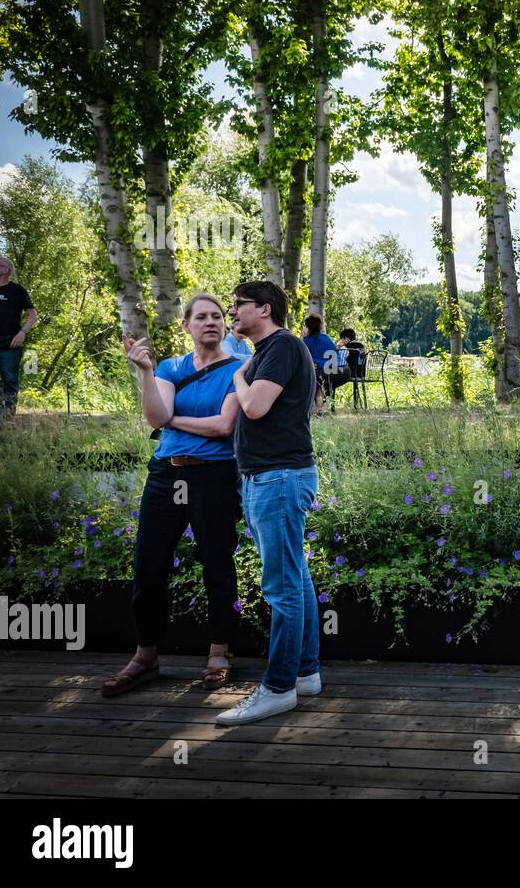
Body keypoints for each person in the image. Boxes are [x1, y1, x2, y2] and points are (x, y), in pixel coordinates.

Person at [102, 294, 243, 698]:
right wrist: (146, 372)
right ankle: (145, 655)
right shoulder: (168, 367)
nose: (211, 322)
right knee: (148, 564)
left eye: (217, 316)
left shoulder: (238, 368)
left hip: (213, 476)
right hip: (166, 475)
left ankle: (219, 651)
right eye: (201, 317)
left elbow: (222, 427)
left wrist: (172, 420)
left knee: (216, 562)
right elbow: (153, 416)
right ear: (186, 325)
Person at [217, 280, 320, 727]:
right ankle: (305, 673)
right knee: (295, 576)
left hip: (277, 478)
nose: (231, 313)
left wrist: (239, 376)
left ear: (263, 308)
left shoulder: (279, 347)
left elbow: (255, 407)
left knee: (281, 586)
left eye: (237, 306)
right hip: (274, 477)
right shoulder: (272, 351)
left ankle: (278, 689)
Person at [0, 255, 37, 419]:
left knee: (10, 380)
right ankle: (1, 409)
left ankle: (8, 418)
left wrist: (22, 332)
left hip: (10, 343)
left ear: (5, 270)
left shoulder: (17, 291)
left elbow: (32, 315)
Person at [301, 313, 340, 408]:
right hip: (340, 371)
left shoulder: (307, 340)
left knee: (310, 377)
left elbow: (304, 357)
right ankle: (319, 407)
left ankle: (314, 406)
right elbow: (335, 355)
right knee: (319, 382)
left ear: (308, 327)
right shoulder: (326, 338)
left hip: (324, 370)